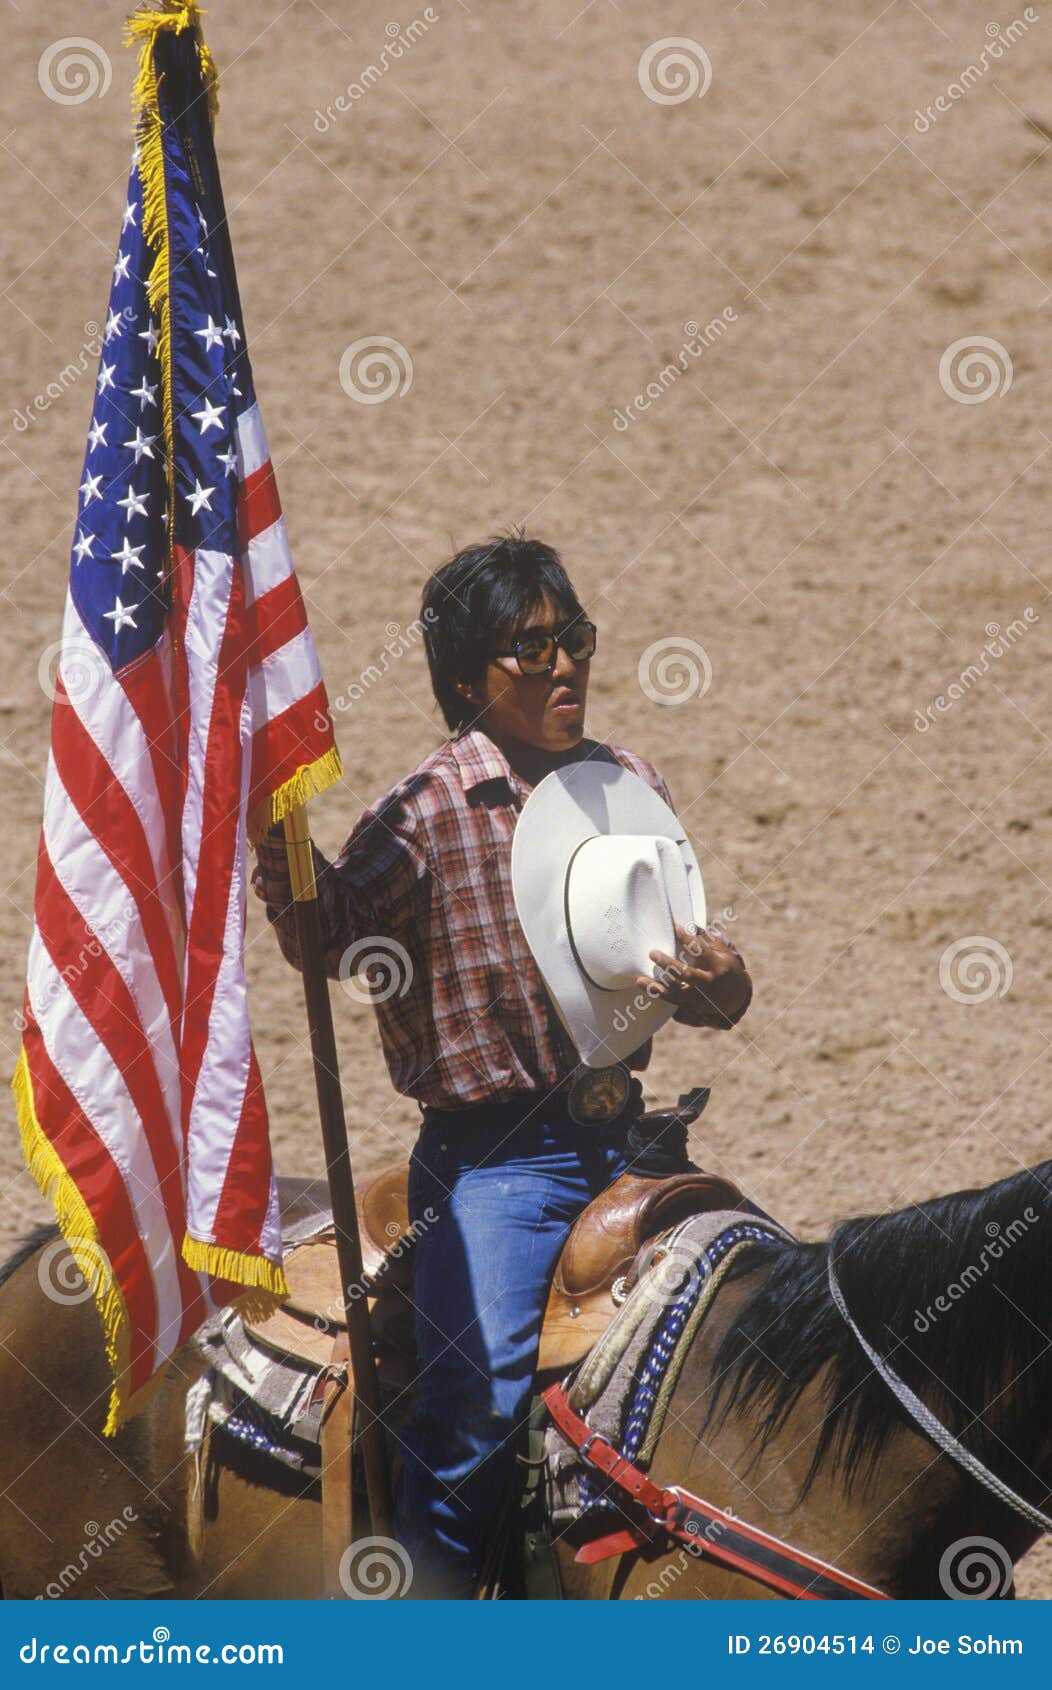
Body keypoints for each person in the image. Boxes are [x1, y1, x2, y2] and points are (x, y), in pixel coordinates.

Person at [251, 530, 752, 1597]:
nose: (565, 664)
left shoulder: (631, 784)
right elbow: (330, 936)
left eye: (573, 637)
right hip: (494, 1169)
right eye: (531, 649)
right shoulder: (430, 808)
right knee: (472, 1411)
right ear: (468, 680)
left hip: (631, 1139)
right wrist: (276, 829)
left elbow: (707, 998)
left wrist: (721, 978)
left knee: (753, 1325)